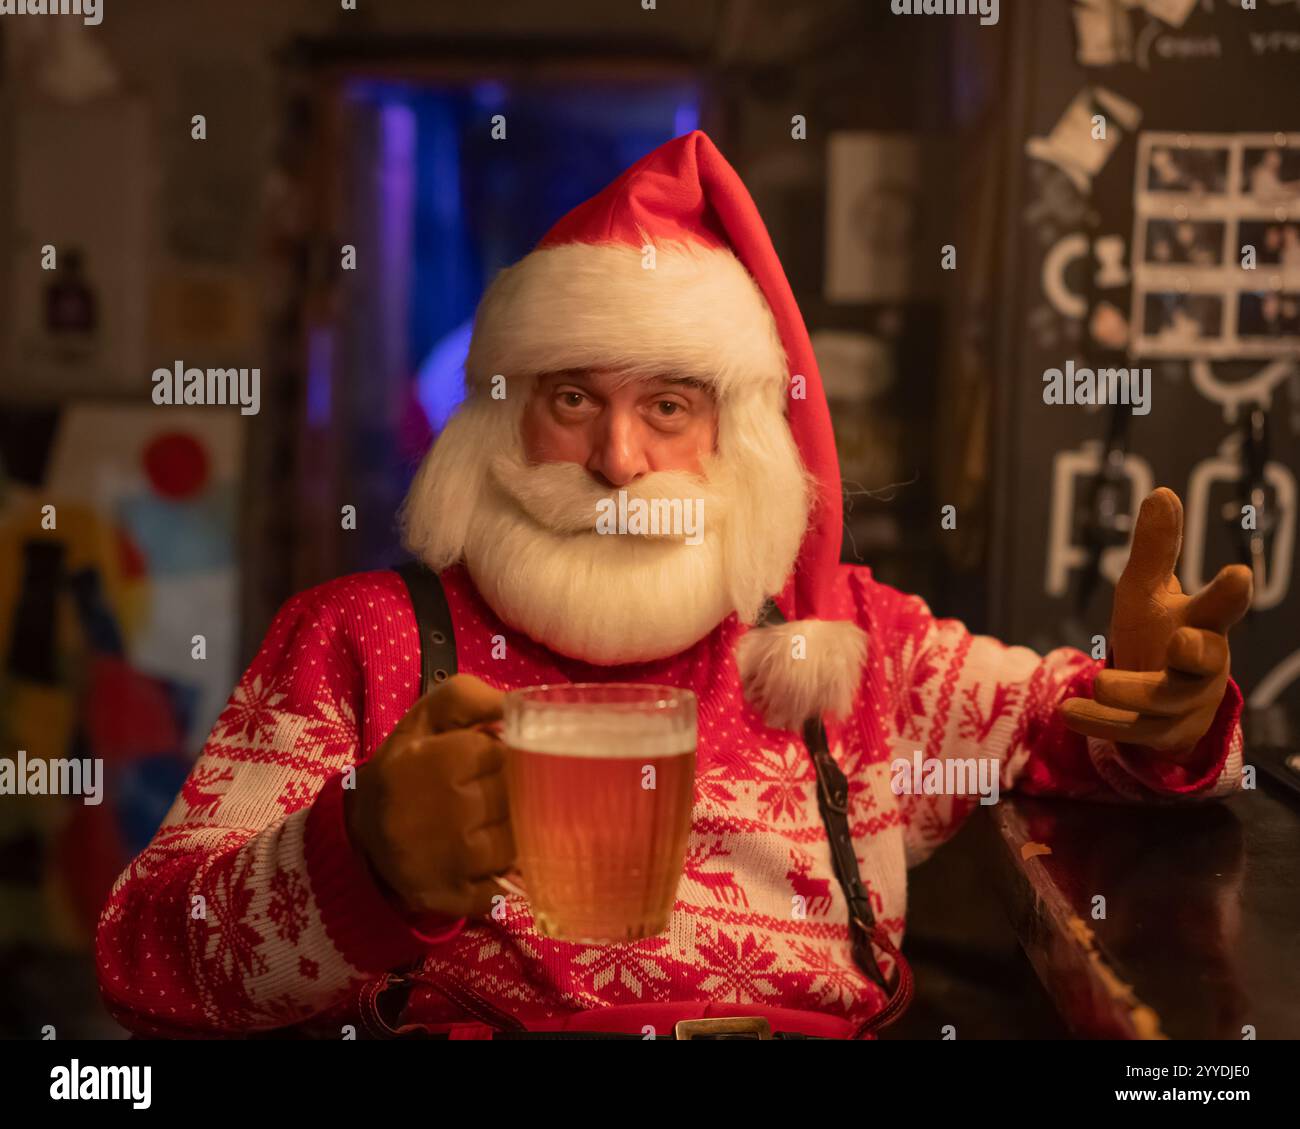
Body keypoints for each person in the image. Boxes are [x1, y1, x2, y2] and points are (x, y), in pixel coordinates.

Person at [96, 131, 1252, 1039]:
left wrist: (1164, 706)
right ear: (502, 422)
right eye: (569, 399)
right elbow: (147, 961)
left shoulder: (843, 634)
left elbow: (1069, 729)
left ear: (732, 437)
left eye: (667, 404)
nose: (615, 458)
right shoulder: (361, 639)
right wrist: (356, 859)